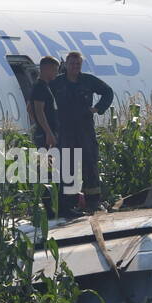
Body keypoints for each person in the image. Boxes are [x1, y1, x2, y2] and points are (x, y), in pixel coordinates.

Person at [50, 50, 113, 214]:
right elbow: (43, 98)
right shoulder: (57, 83)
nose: (75, 67)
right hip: (65, 128)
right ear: (66, 65)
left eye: (78, 64)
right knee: (67, 165)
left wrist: (97, 109)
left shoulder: (88, 81)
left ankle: (93, 201)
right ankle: (69, 203)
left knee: (89, 162)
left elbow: (108, 92)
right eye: (72, 64)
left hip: (84, 127)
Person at [30, 56, 59, 149]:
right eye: (54, 70)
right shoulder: (40, 87)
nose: (56, 73)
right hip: (45, 134)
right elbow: (39, 111)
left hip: (43, 132)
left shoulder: (41, 86)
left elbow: (29, 108)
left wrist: (38, 125)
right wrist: (48, 133)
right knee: (47, 161)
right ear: (46, 69)